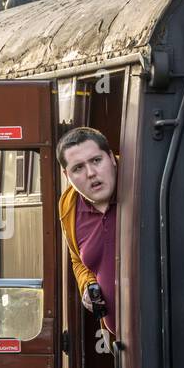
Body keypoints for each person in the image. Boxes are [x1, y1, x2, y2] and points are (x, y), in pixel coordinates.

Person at [56, 126, 118, 334]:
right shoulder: (69, 206)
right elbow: (77, 260)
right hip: (121, 346)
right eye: (78, 168)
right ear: (67, 175)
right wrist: (88, 285)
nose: (91, 173)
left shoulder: (142, 182)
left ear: (111, 157)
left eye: (96, 161)